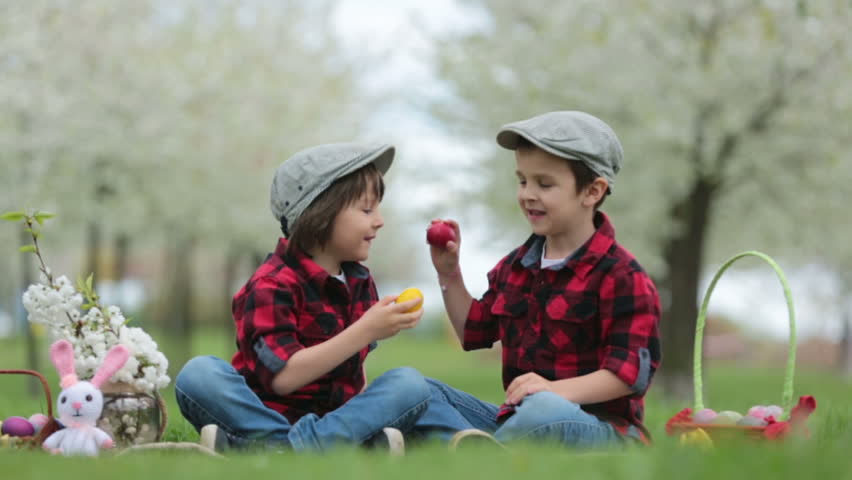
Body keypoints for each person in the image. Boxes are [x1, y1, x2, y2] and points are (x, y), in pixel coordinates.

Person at [420, 111, 662, 449]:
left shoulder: (622, 275)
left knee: (544, 409)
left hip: (602, 429)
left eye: (544, 184)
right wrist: (449, 273)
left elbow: (628, 374)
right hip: (521, 419)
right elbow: (472, 331)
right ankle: (485, 447)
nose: (527, 194)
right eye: (522, 181)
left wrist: (555, 391)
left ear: (592, 191)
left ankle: (476, 455)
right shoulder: (516, 266)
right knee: (419, 392)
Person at [175, 143, 430, 454]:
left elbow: (356, 373)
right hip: (265, 414)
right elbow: (283, 378)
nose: (379, 220)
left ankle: (271, 449)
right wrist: (366, 329)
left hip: (332, 417)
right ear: (321, 214)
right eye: (366, 210)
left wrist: (364, 399)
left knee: (411, 385)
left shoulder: (359, 281)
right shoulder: (271, 285)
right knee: (198, 375)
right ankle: (322, 445)